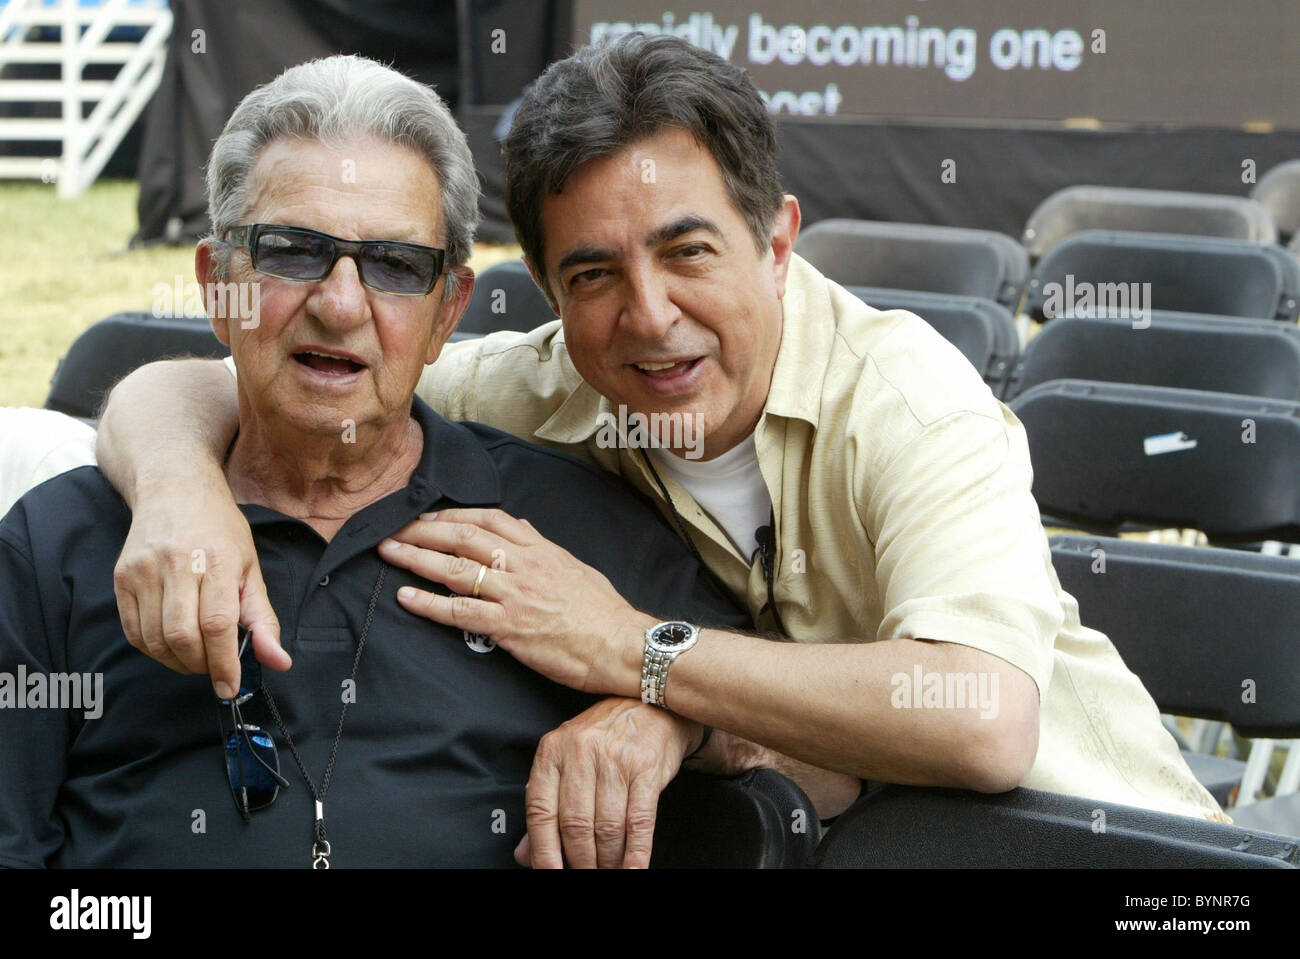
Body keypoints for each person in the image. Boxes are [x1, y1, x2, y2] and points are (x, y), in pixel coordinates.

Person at [95, 36, 1226, 868]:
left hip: (1110, 852)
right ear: (542, 289)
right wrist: (184, 492)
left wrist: (638, 654)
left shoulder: (911, 398)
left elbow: (981, 719)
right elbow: (239, 380)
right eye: (593, 274)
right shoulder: (534, 381)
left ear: (776, 242)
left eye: (688, 251)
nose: (648, 316)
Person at [0, 54, 792, 869]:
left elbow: (782, 732)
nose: (341, 304)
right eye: (293, 251)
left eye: (395, 265)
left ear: (449, 309)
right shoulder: (60, 547)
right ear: (216, 284)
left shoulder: (568, 527)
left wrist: (669, 717)